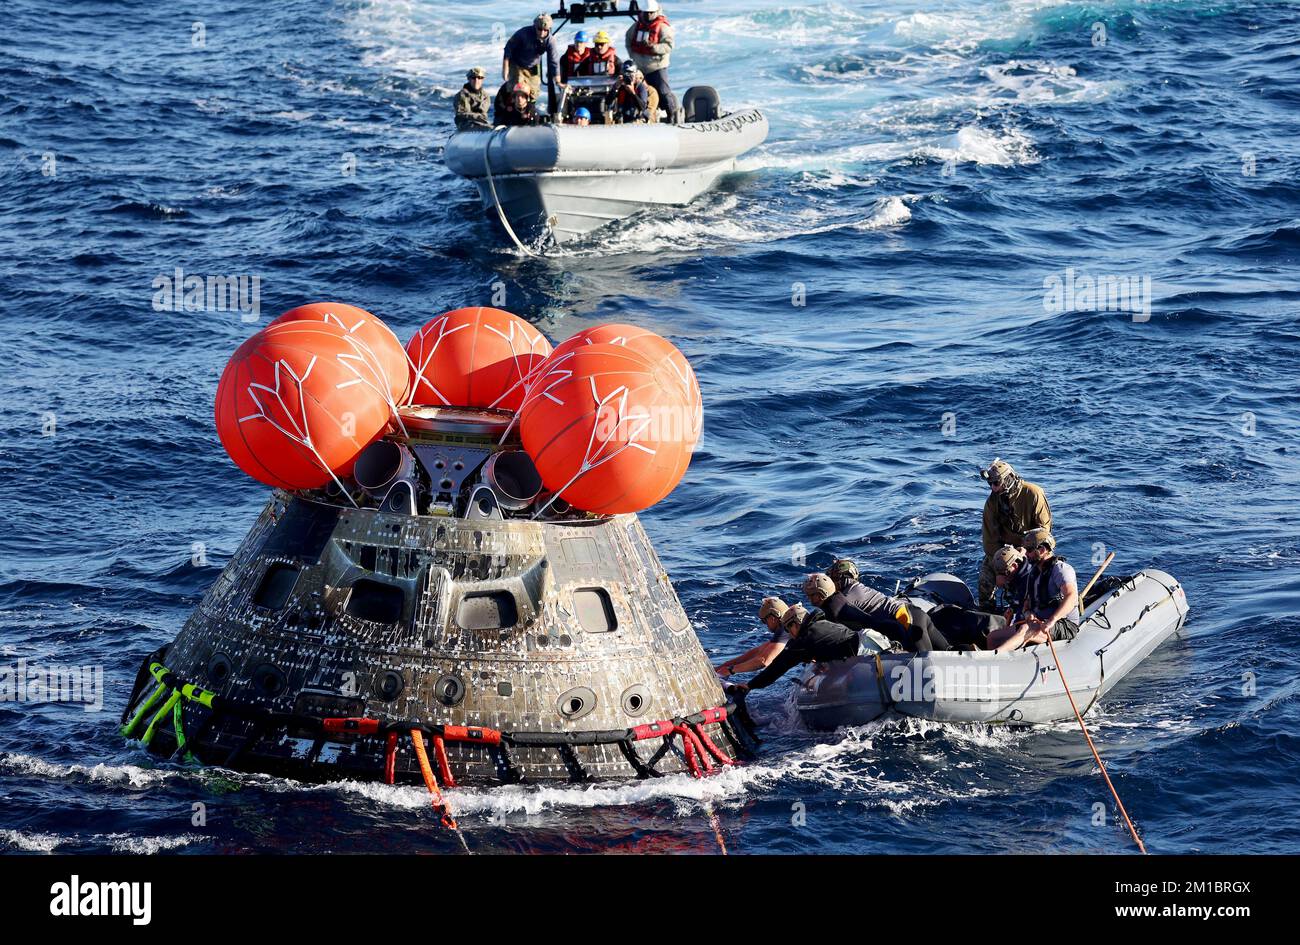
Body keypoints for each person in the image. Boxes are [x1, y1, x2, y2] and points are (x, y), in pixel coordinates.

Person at [731, 603, 887, 693]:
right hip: (874, 640)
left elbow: (778, 667)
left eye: (787, 629)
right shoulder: (823, 624)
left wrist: (750, 685)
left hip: (865, 653)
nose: (789, 634)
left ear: (796, 624)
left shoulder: (804, 640)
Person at [986, 529, 1079, 653]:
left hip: (1063, 624)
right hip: (1038, 621)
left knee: (1025, 628)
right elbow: (1027, 602)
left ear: (1041, 550)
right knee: (993, 637)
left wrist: (1052, 620)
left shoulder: (1061, 569)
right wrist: (1027, 613)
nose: (1026, 554)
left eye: (1029, 550)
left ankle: (994, 658)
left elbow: (1071, 596)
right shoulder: (1034, 573)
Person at [978, 459, 1052, 610]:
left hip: (1034, 547)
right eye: (990, 484)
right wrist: (999, 567)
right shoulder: (992, 503)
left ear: (1008, 479)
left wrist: (1027, 550)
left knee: (1034, 585)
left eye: (996, 483)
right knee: (985, 580)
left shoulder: (1033, 493)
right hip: (1005, 550)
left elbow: (1043, 531)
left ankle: (1034, 609)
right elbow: (990, 540)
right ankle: (987, 616)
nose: (993, 487)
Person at [715, 597, 791, 679]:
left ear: (773, 618)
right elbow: (758, 652)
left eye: (764, 621)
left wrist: (730, 670)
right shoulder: (788, 623)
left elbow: (763, 661)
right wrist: (724, 666)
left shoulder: (784, 629)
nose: (766, 625)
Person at [625, 0, 677, 120]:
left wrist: (653, 47)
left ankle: (672, 116)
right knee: (638, 94)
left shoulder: (663, 27)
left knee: (664, 92)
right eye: (646, 12)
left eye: (651, 13)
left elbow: (669, 46)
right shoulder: (636, 27)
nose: (648, 15)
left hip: (656, 67)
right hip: (640, 69)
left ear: (656, 12)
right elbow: (628, 39)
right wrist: (633, 56)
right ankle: (639, 118)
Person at [503, 13, 560, 101]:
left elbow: (554, 60)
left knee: (533, 93)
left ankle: (530, 112)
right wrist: (505, 68)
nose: (542, 32)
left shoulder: (550, 40)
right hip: (517, 65)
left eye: (545, 30)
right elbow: (508, 48)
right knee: (518, 91)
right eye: (539, 29)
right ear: (535, 26)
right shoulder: (523, 33)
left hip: (533, 66)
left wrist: (557, 80)